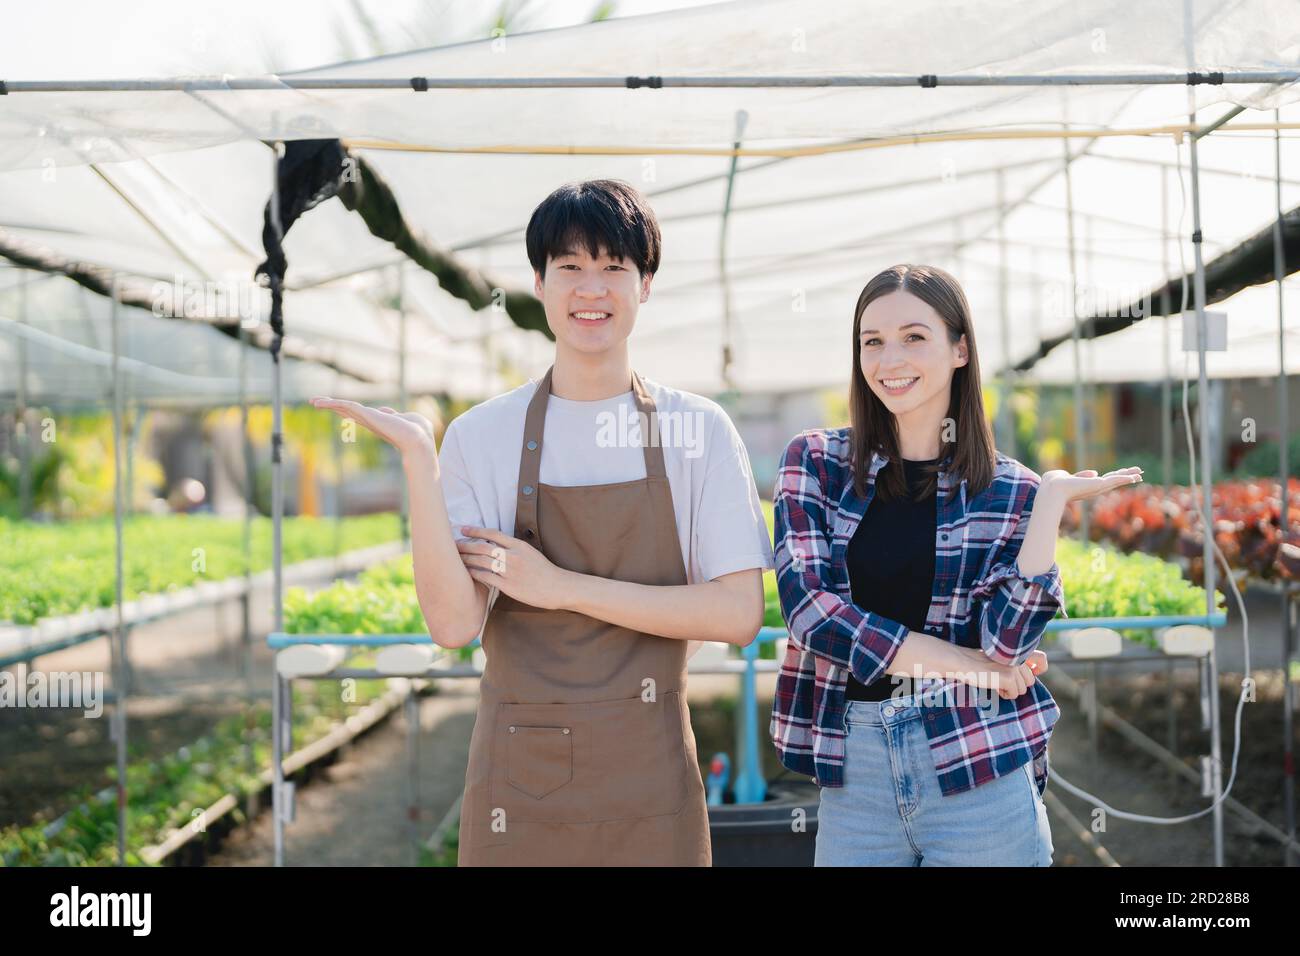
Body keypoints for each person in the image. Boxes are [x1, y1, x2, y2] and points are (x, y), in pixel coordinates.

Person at [313, 179, 773, 866]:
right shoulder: (482, 436)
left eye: (615, 268)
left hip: (648, 774)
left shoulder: (696, 431)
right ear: (539, 281)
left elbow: (739, 615)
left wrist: (562, 587)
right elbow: (453, 625)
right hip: (517, 788)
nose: (593, 289)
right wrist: (419, 462)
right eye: (571, 268)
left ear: (645, 284)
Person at [770, 263, 1143, 867]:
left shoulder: (1010, 489)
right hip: (855, 765)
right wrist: (971, 666)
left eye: (914, 337)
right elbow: (812, 615)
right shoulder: (816, 462)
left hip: (975, 760)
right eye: (873, 341)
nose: (890, 358)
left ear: (960, 348)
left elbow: (1006, 646)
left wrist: (1048, 504)